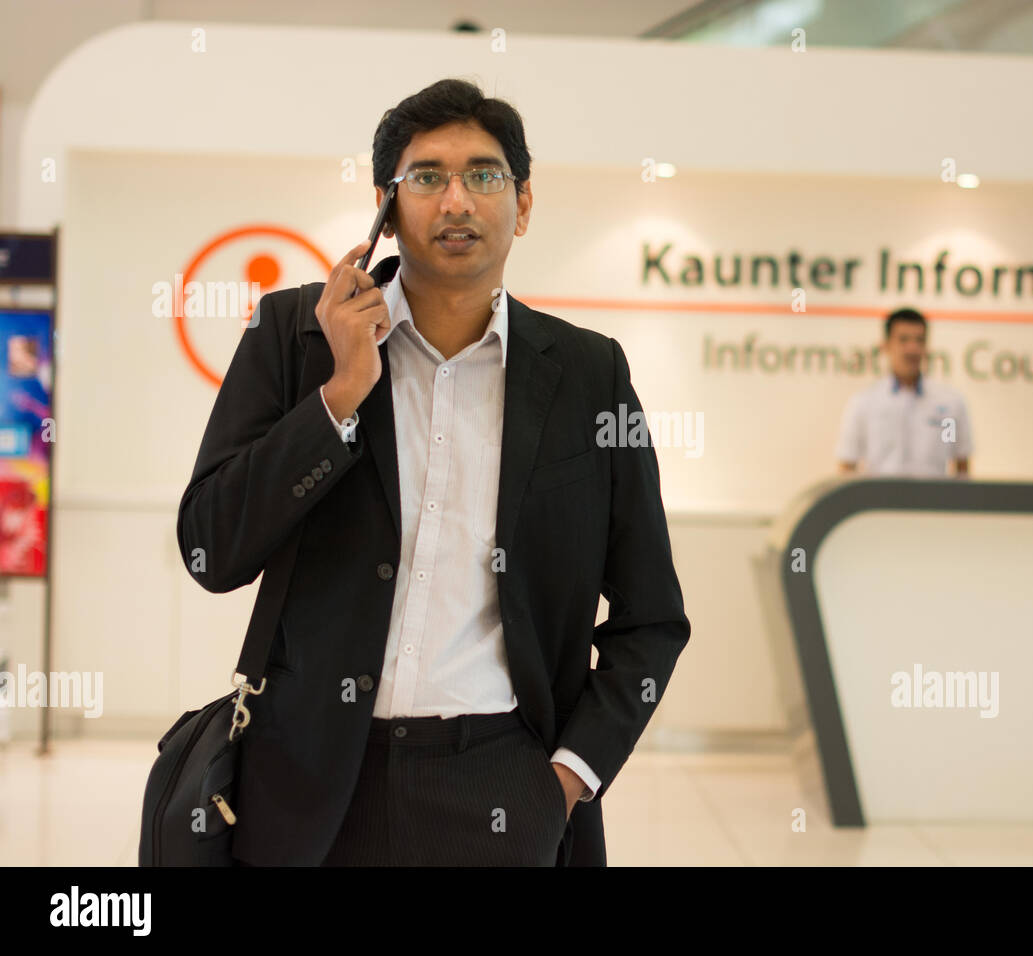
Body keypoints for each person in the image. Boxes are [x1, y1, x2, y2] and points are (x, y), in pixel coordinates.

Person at [177, 78, 690, 866]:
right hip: (306, 785)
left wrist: (564, 779)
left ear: (522, 205)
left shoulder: (590, 374)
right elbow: (211, 549)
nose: (457, 201)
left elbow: (651, 615)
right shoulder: (296, 336)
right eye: (427, 178)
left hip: (501, 786)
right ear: (385, 206)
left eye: (484, 176)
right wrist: (339, 395)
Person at [835, 307, 971, 478]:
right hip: (881, 502)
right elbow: (848, 464)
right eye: (903, 340)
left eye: (919, 340)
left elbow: (960, 462)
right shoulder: (865, 402)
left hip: (932, 501)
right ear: (886, 345)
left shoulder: (949, 404)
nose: (912, 349)